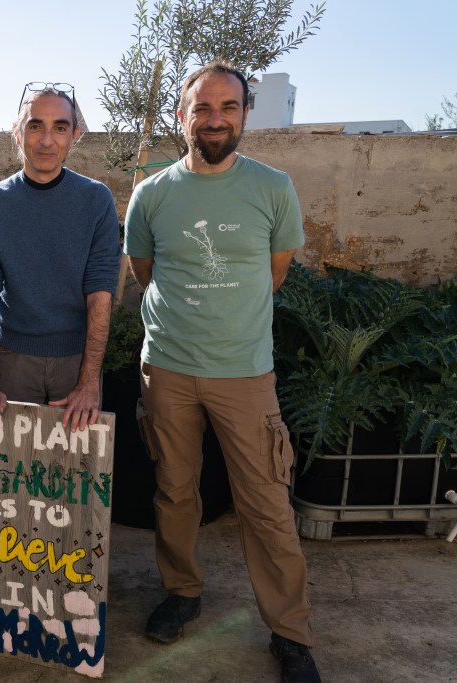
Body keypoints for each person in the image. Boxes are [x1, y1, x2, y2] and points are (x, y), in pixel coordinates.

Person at [124, 62, 321, 683]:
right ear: (183, 115)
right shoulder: (152, 193)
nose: (214, 119)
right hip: (169, 371)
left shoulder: (272, 188)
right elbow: (145, 274)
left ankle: (290, 633)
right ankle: (182, 591)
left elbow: (275, 272)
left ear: (244, 114)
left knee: (266, 504)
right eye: (202, 108)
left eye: (228, 108)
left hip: (244, 374)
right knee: (175, 493)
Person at [0, 82, 121, 432]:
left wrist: (89, 383)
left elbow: (101, 295)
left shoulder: (96, 200)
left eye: (59, 128)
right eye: (35, 126)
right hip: (11, 363)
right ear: (17, 134)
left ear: (74, 135)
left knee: (75, 475)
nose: (47, 140)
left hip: (77, 363)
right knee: (6, 478)